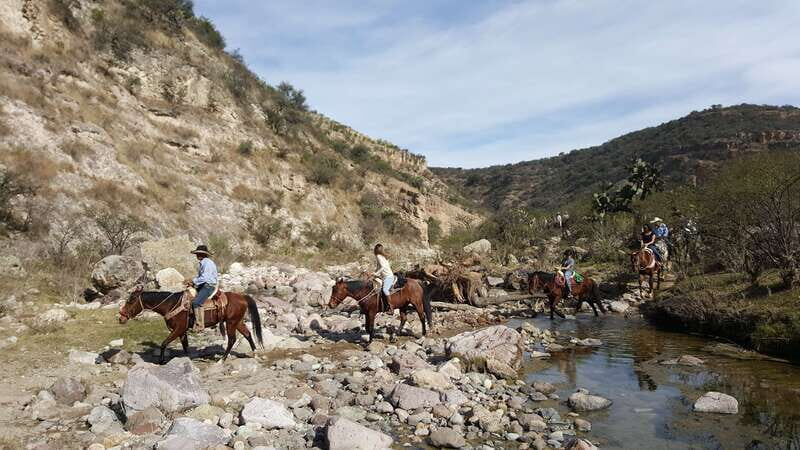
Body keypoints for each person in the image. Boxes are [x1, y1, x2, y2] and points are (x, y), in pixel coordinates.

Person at [186, 245, 218, 331]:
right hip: (204, 285)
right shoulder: (204, 262)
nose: (197, 255)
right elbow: (202, 278)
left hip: (208, 286)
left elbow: (205, 278)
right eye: (197, 253)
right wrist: (193, 283)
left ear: (203, 255)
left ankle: (200, 326)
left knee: (196, 302)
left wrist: (193, 281)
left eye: (199, 253)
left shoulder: (206, 263)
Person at [372, 244, 394, 311]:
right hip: (386, 276)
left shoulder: (378, 256)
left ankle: (391, 308)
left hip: (388, 277)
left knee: (385, 290)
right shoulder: (382, 256)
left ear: (375, 250)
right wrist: (374, 273)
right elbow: (379, 267)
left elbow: (383, 267)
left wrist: (376, 273)